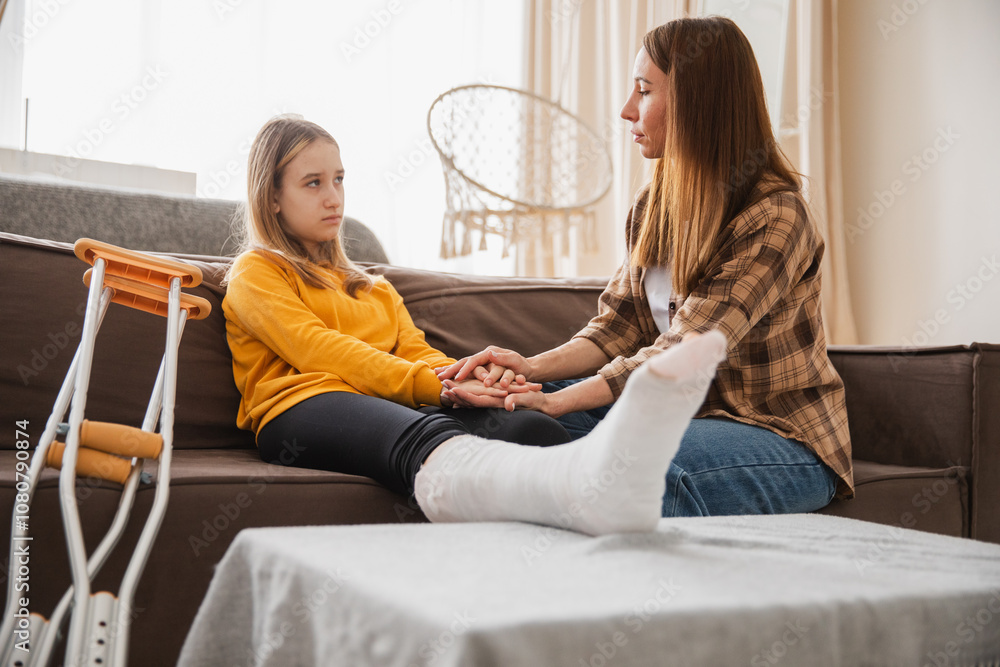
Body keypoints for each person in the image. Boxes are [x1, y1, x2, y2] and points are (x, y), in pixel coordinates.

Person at [222, 114, 729, 536]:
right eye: (313, 184)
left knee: (527, 423)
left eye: (339, 179)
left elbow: (418, 353)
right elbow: (318, 350)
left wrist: (467, 380)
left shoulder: (373, 287)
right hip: (300, 406)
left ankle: (597, 526)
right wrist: (435, 388)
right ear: (271, 197)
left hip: (393, 397)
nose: (334, 198)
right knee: (428, 431)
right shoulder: (257, 271)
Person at [437, 16, 854, 517]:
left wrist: (559, 402)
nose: (626, 110)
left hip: (777, 434)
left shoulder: (776, 215)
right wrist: (532, 370)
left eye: (644, 91)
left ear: (697, 102)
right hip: (678, 415)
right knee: (501, 419)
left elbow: (687, 349)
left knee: (628, 466)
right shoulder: (653, 205)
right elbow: (618, 325)